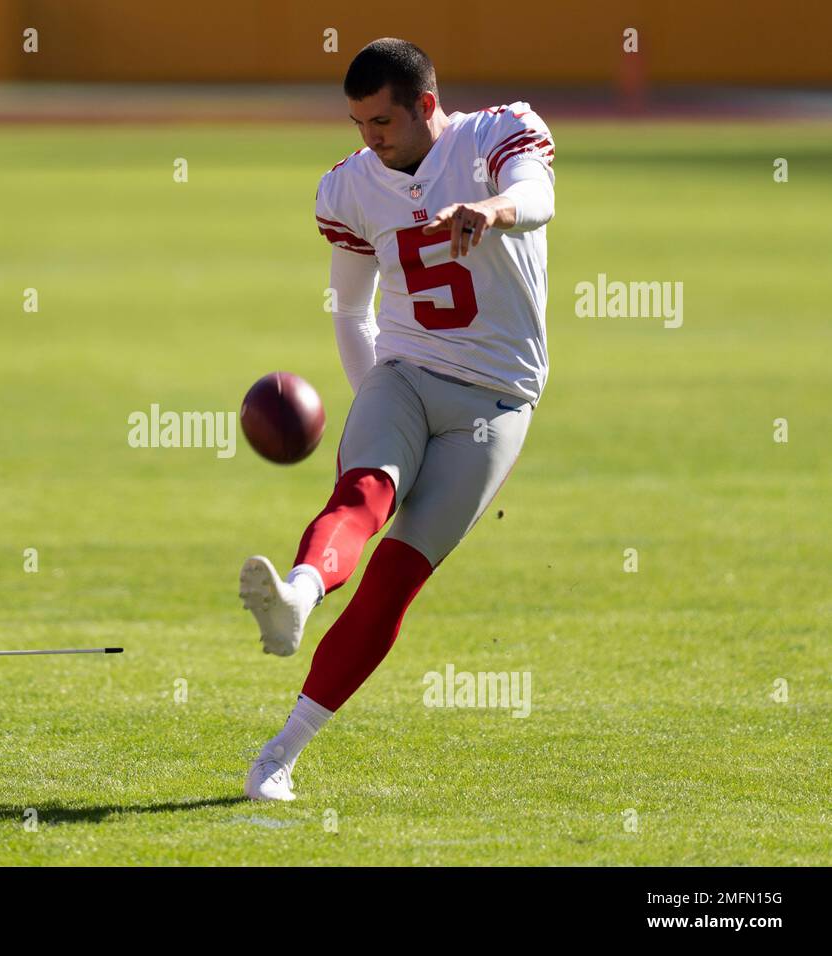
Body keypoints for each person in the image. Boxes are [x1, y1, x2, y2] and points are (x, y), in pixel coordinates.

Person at [239, 37, 556, 801]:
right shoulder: (351, 187)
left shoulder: (495, 134)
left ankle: (279, 755)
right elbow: (351, 305)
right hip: (407, 371)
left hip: (496, 396)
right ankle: (300, 596)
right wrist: (374, 392)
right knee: (362, 493)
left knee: (395, 579)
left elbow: (538, 198)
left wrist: (493, 208)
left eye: (381, 120)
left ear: (424, 102)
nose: (368, 138)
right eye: (356, 123)